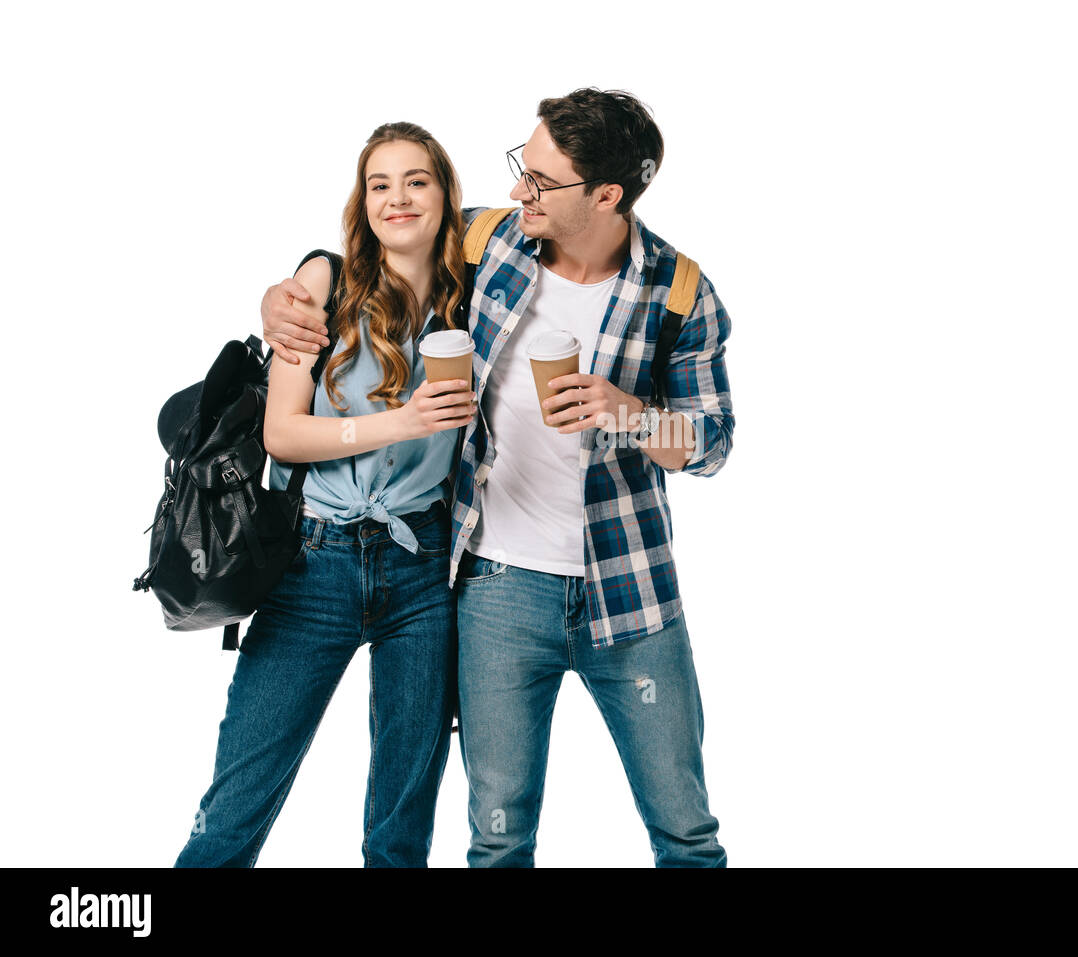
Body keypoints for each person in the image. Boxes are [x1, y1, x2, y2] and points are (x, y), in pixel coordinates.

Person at [261, 89, 734, 867]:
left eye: (541, 181)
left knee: (685, 830)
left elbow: (712, 441)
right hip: (498, 588)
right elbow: (376, 246)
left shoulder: (680, 293)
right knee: (498, 836)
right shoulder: (489, 240)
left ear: (606, 195)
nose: (520, 190)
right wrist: (282, 295)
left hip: (633, 592)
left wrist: (633, 413)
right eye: (523, 168)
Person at [176, 122, 477, 867]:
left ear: (446, 197)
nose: (397, 198)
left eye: (417, 181)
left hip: (424, 569)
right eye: (380, 183)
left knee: (401, 831)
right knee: (235, 808)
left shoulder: (477, 296)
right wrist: (398, 422)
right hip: (317, 561)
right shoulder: (326, 283)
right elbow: (282, 433)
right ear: (362, 200)